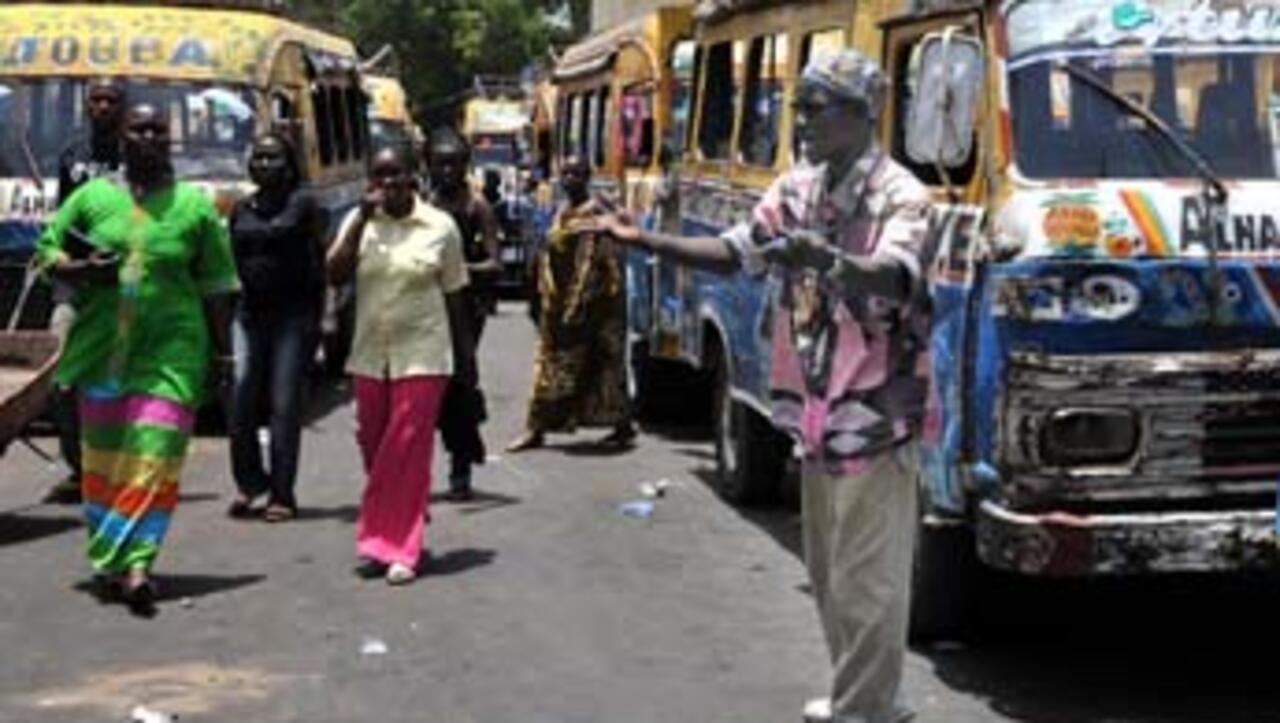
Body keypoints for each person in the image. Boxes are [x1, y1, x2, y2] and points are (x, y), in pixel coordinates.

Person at [582, 51, 934, 723]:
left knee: (870, 575)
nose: (799, 120)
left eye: (815, 107)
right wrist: (644, 239)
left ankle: (866, 707)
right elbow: (738, 249)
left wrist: (830, 261)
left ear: (861, 114)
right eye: (797, 106)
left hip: (878, 410)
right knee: (829, 571)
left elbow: (896, 274)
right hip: (816, 408)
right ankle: (866, 694)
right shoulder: (797, 188)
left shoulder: (900, 193)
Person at [36, 102, 240, 616]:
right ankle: (108, 559)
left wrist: (223, 352)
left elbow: (218, 284)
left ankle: (138, 566)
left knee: (154, 454)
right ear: (121, 138)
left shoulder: (194, 208)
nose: (149, 137)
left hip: (172, 350)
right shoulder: (91, 198)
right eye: (139, 129)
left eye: (158, 130)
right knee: (103, 465)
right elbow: (48, 251)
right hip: (101, 351)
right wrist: (81, 269)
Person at [326, 146, 476, 585]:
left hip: (424, 353)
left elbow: (454, 294)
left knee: (407, 447)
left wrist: (466, 362)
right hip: (371, 351)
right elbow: (334, 274)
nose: (388, 184)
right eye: (379, 176)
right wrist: (358, 223)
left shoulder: (440, 227)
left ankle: (397, 548)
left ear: (413, 176)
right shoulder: (358, 223)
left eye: (396, 175)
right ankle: (398, 518)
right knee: (374, 445)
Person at [226, 132, 327, 523]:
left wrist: (326, 317)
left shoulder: (305, 205)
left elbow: (322, 263)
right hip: (249, 314)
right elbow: (230, 264)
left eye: (274, 158)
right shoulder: (240, 209)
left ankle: (282, 493)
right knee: (240, 401)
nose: (266, 165)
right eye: (259, 157)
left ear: (290, 165)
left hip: (293, 315)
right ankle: (252, 484)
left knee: (284, 405)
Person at [506, 155, 636, 453]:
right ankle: (537, 429)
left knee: (602, 366)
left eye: (577, 174)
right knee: (554, 364)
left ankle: (619, 425)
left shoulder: (597, 210)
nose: (570, 179)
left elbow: (601, 260)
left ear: (588, 176)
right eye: (565, 173)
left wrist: (579, 303)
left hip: (593, 305)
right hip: (558, 300)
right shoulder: (560, 209)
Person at [43, 77, 127, 505]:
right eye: (96, 100)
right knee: (61, 380)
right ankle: (78, 469)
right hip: (74, 283)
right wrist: (68, 263)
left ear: (122, 106)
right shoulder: (72, 157)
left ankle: (110, 468)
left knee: (112, 382)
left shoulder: (137, 156)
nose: (103, 107)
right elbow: (61, 225)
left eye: (111, 100)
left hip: (123, 292)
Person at [426, 129, 498, 501]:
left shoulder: (477, 207)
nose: (448, 170)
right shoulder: (422, 205)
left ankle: (461, 464)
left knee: (458, 383)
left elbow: (494, 261)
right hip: (424, 307)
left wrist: (459, 268)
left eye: (455, 163)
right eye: (441, 163)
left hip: (465, 310)